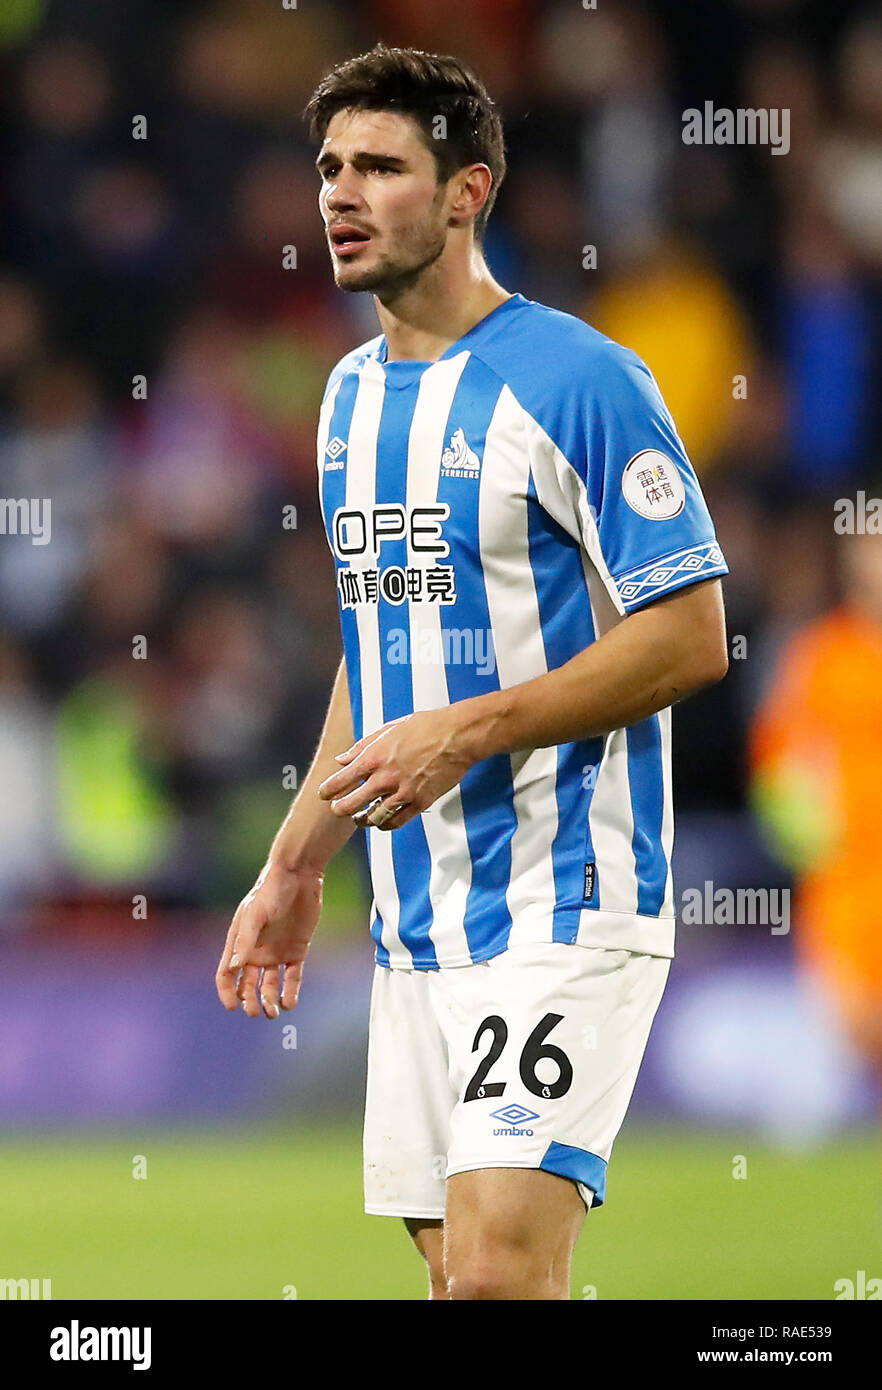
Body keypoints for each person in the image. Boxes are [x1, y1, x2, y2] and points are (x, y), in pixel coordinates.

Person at [215, 43, 729, 1301]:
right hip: (417, 922)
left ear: (466, 192)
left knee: (499, 1276)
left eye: (381, 166)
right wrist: (295, 860)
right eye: (329, 167)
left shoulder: (582, 380)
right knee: (470, 1290)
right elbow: (378, 653)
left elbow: (689, 635)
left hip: (567, 896)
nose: (339, 193)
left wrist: (469, 731)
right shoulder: (345, 402)